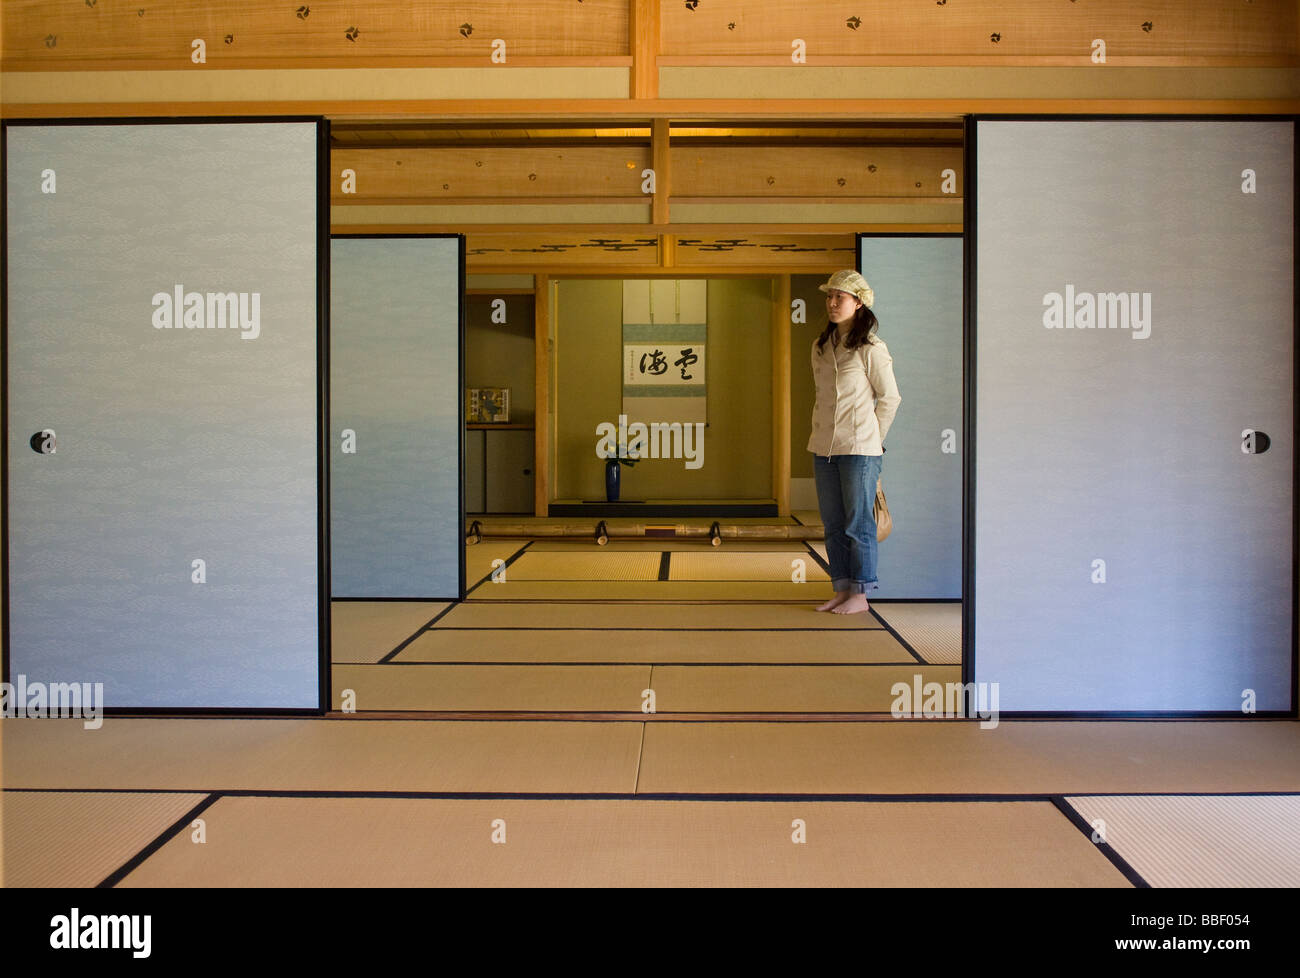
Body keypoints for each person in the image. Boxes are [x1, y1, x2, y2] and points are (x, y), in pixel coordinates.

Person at [808, 269, 901, 614]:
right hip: (823, 446)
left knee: (859, 522)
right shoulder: (819, 347)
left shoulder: (871, 348)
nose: (832, 303)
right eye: (829, 297)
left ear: (858, 302)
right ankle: (842, 588)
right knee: (832, 522)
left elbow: (890, 398)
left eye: (839, 297)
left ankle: (861, 594)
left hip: (860, 448)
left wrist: (874, 440)